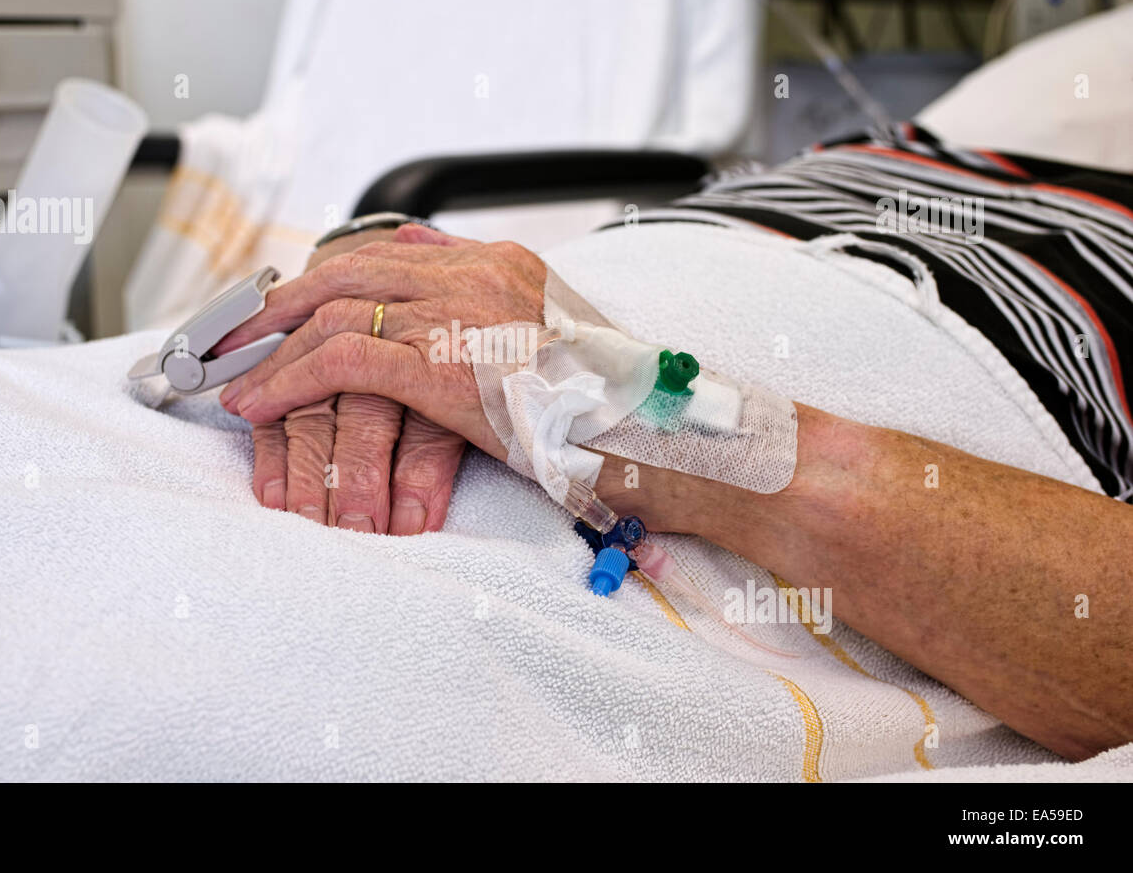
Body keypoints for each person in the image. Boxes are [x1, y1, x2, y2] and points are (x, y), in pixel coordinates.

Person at [215, 128, 1133, 760]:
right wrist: (382, 262)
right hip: (317, 382)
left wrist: (630, 413)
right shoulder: (879, 142)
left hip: (973, 377)